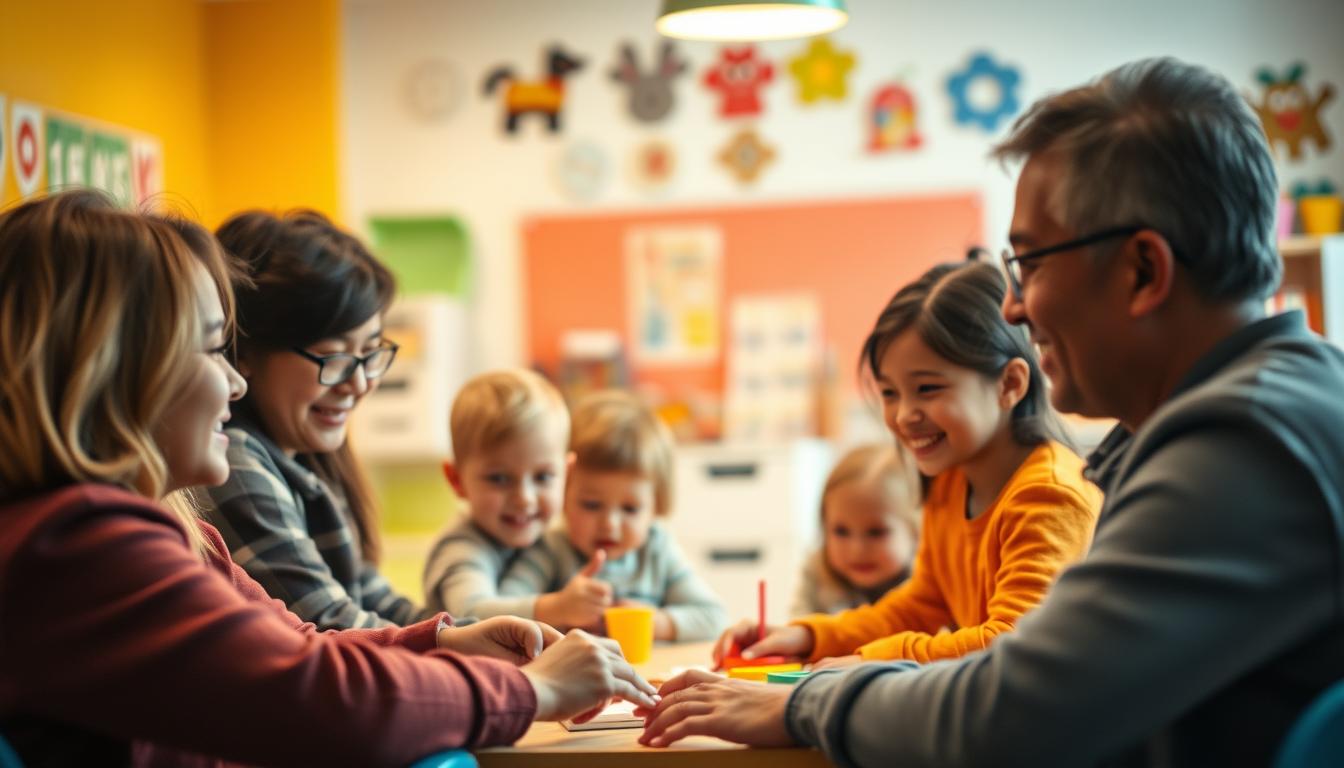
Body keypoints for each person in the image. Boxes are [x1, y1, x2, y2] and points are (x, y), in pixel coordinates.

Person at [639, 57, 1344, 766]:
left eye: (1030, 265)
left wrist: (805, 698)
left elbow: (1015, 713)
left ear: (1143, 271)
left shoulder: (1241, 447)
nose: (1013, 305)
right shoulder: (1251, 412)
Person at [0, 191, 657, 766]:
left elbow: (301, 644)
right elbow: (312, 692)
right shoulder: (80, 547)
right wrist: (534, 690)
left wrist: (446, 641)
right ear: (112, 369)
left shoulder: (166, 528)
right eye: (211, 349)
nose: (234, 382)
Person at [715, 261, 1101, 667]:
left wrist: (873, 662)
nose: (903, 416)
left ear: (1009, 384)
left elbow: (1013, 645)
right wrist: (807, 635)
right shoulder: (951, 479)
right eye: (889, 393)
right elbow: (920, 605)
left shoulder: (1049, 495)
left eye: (927, 389)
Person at [199, 210, 431, 630]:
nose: (359, 383)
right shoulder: (235, 461)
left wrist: (504, 630)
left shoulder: (307, 457)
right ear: (246, 352)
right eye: (334, 356)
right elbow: (332, 628)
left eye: (372, 352)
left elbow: (376, 600)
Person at [501, 390, 727, 641]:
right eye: (591, 504)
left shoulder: (657, 549)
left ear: (657, 507)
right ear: (562, 495)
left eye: (630, 509)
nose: (609, 524)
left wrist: (654, 622)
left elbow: (714, 617)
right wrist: (559, 608)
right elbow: (501, 617)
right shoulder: (550, 549)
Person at [422, 369, 570, 619]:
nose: (524, 498)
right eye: (499, 479)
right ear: (456, 480)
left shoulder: (552, 540)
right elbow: (471, 613)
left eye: (542, 477)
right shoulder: (461, 548)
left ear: (568, 474)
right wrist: (557, 608)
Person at [790, 443, 921, 618]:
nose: (857, 549)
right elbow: (798, 626)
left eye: (876, 532)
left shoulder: (929, 585)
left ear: (915, 532)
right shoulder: (816, 573)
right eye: (841, 531)